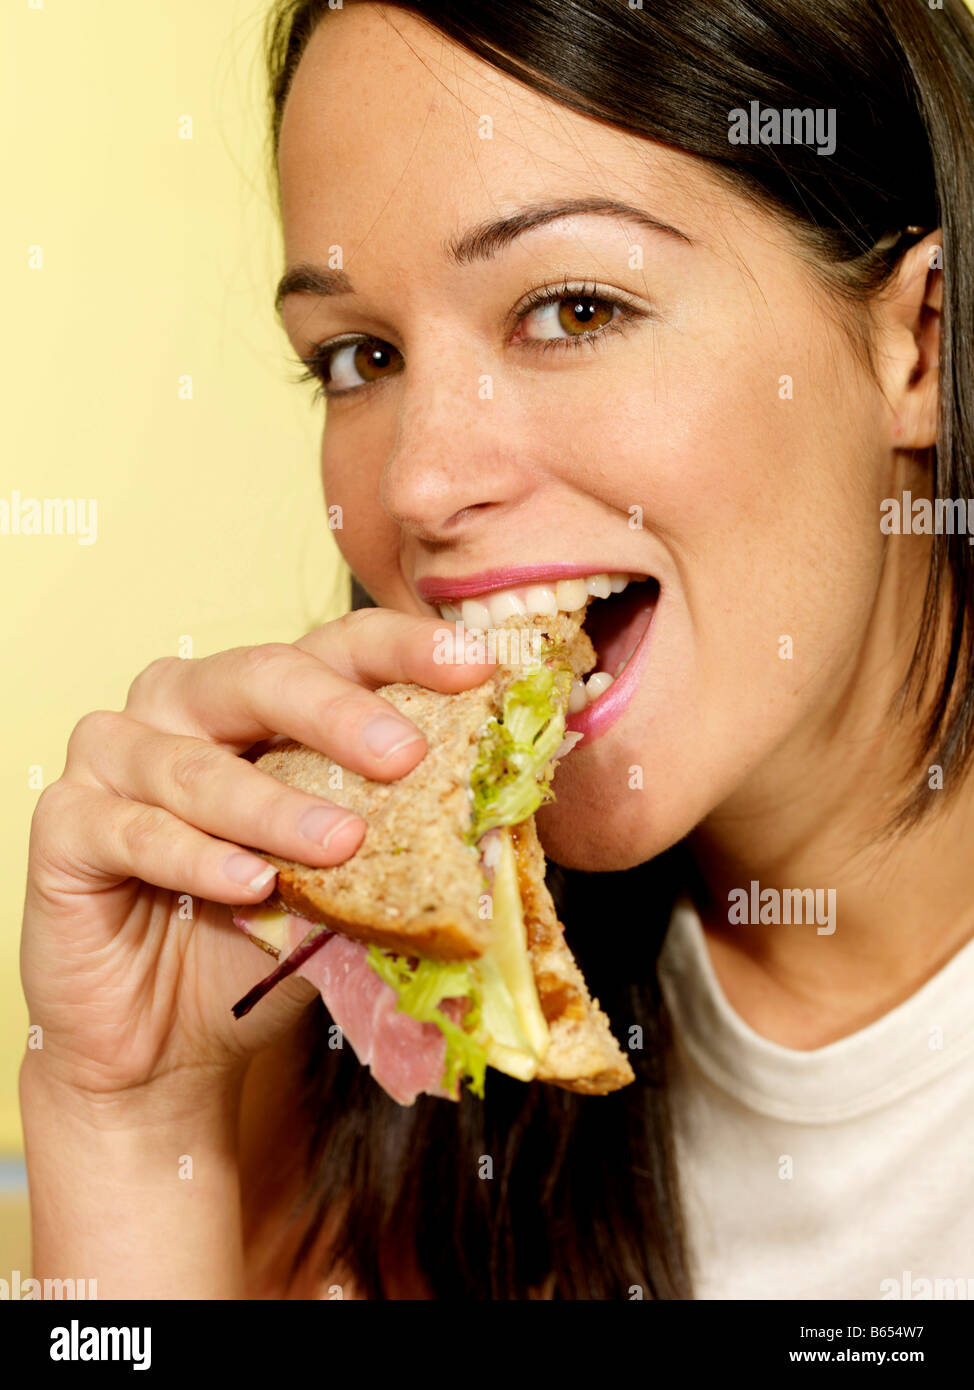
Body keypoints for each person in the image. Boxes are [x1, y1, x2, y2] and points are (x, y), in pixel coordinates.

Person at [20, 0, 974, 1300]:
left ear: (916, 342)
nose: (417, 483)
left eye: (573, 308)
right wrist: (131, 1120)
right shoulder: (348, 1070)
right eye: (359, 356)